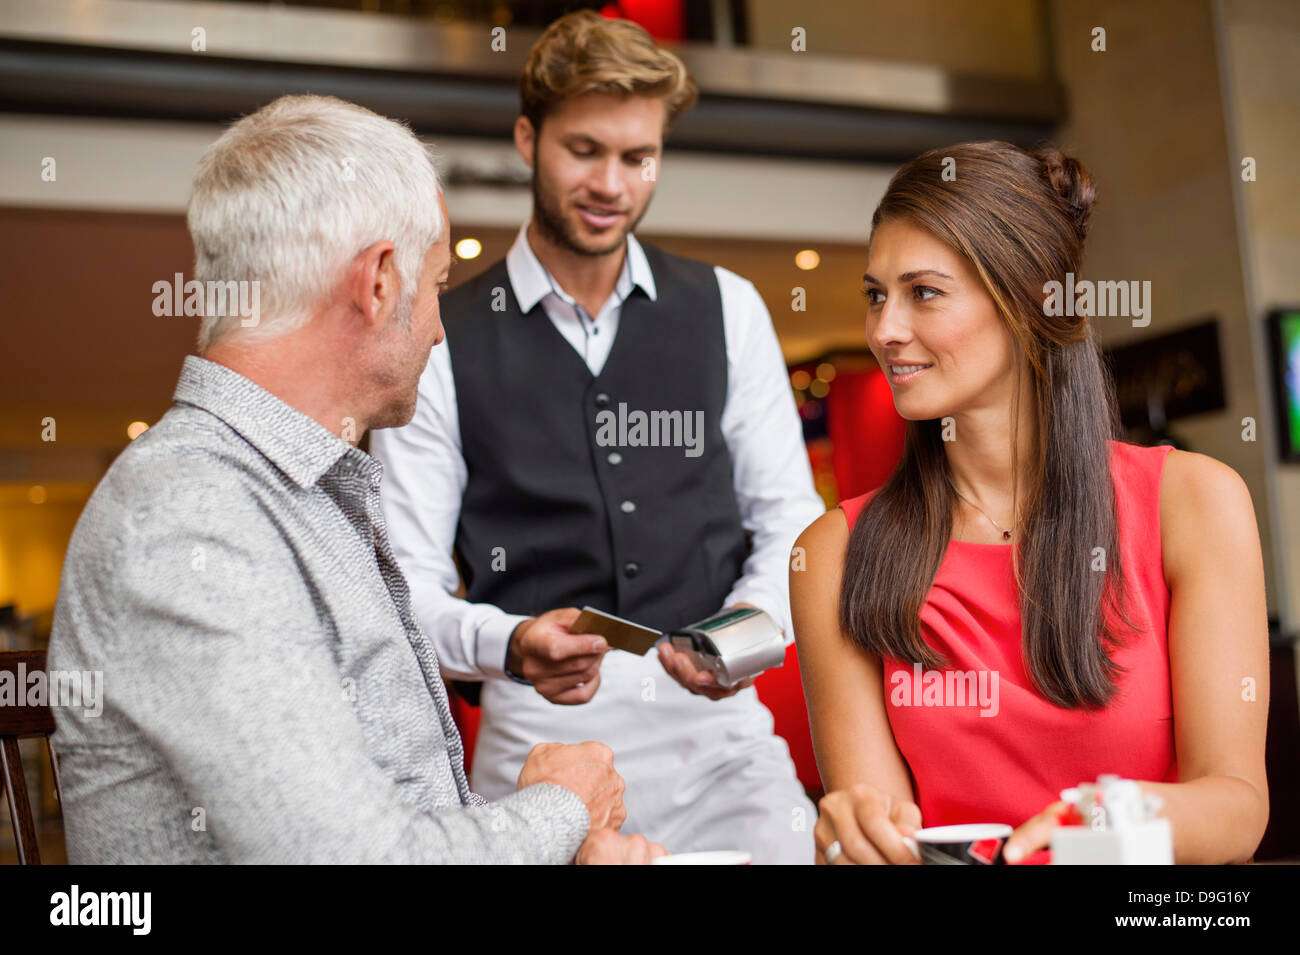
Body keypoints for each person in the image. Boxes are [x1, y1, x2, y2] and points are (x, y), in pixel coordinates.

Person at [47, 94, 665, 864]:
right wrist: (561, 807)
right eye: (436, 283)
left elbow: (384, 820)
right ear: (378, 282)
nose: (440, 327)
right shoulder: (189, 514)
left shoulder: (289, 492)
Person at [371, 11, 823, 863]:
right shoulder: (443, 337)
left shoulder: (728, 308)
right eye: (585, 150)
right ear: (526, 139)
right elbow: (405, 590)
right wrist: (508, 643)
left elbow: (792, 522)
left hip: (722, 740)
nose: (612, 183)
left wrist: (740, 637)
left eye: (637, 157)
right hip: (541, 754)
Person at [791, 141, 1270, 865]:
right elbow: (886, 825)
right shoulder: (833, 551)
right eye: (875, 294)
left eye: (923, 292)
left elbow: (1237, 804)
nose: (885, 330)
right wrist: (858, 828)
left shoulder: (1194, 501)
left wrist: (1112, 821)